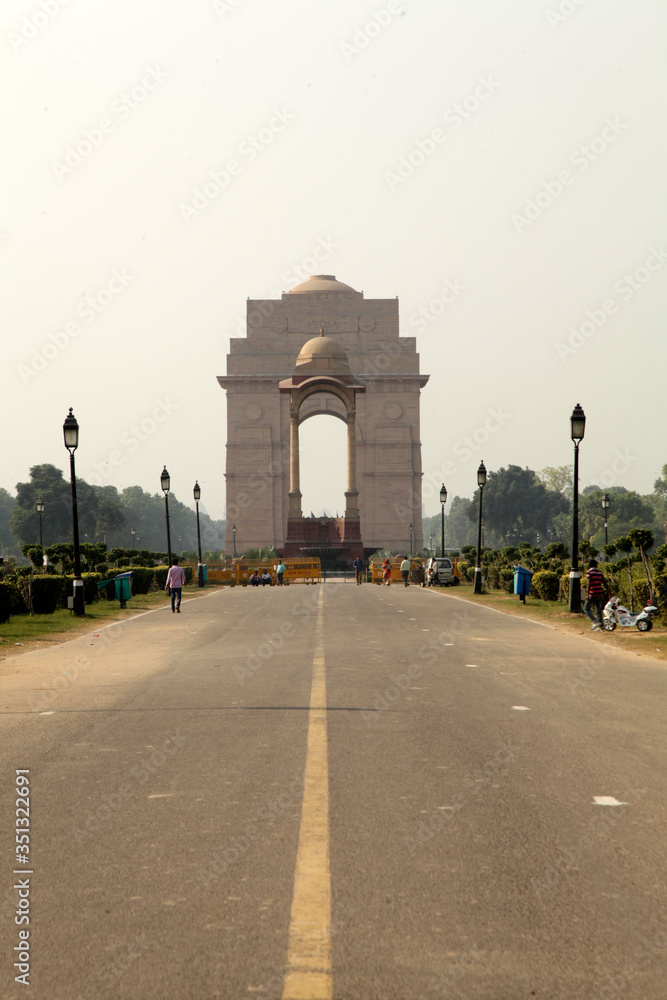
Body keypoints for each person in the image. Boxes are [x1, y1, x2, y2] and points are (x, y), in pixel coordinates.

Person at [584, 558, 609, 630]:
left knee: (586, 608)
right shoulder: (600, 573)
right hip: (600, 593)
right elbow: (605, 583)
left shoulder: (589, 573)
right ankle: (601, 626)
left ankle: (595, 621)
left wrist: (587, 594)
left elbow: (588, 584)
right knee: (598, 609)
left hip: (593, 593)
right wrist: (609, 592)